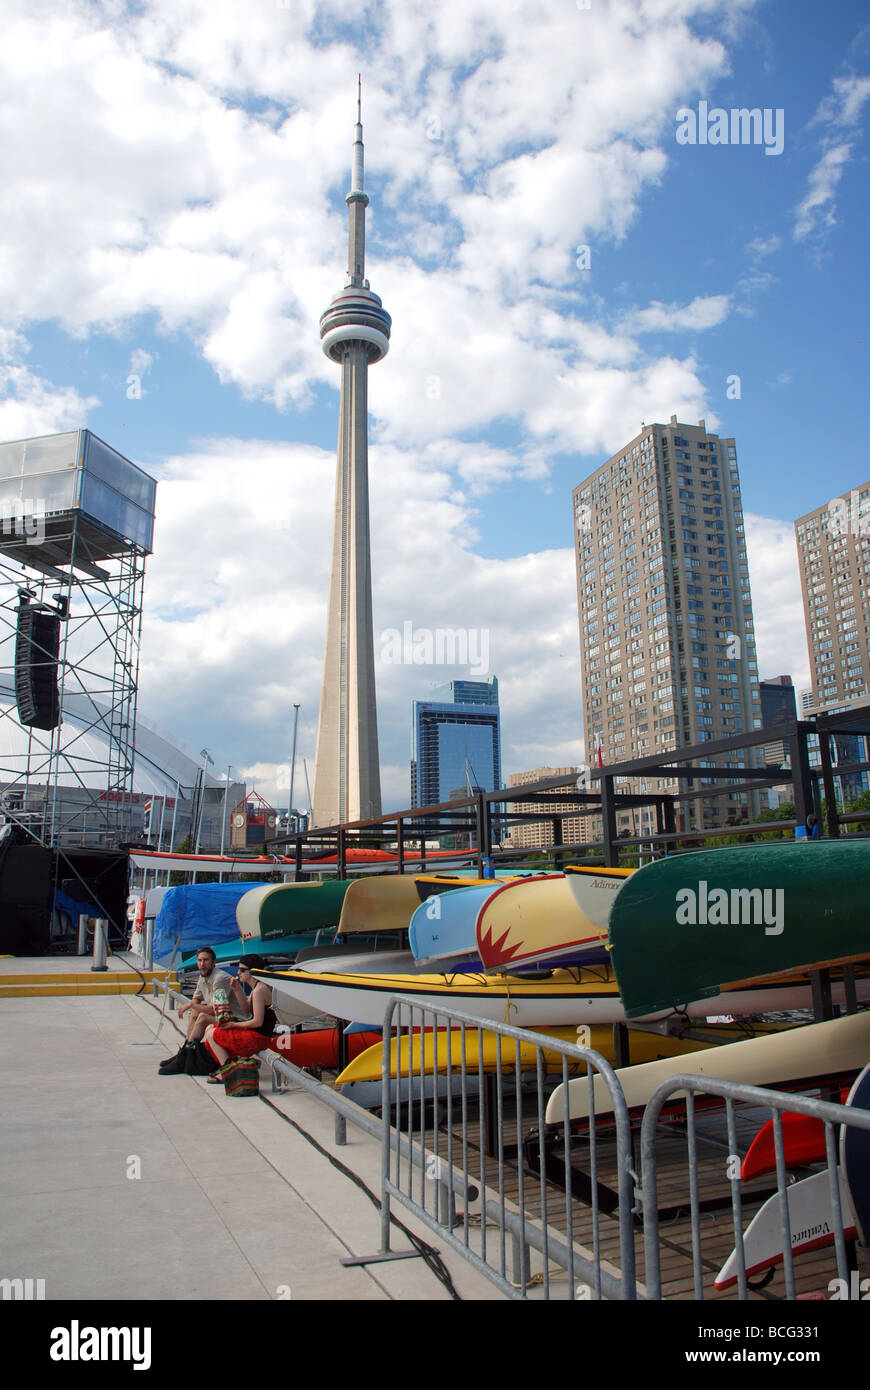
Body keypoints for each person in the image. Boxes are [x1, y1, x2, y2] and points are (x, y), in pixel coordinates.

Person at [159, 946, 245, 1075]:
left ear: (213, 962)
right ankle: (184, 1053)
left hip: (237, 1020)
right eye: (199, 960)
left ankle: (183, 1057)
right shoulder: (203, 976)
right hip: (223, 1017)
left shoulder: (219, 979)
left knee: (202, 1016)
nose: (202, 964)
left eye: (206, 960)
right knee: (195, 1012)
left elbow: (212, 1010)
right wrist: (190, 1006)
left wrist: (189, 1005)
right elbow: (196, 999)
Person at [202, 956, 277, 1081]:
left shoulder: (259, 990)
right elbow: (246, 1010)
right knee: (210, 1028)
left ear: (252, 972)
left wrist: (233, 1025)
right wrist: (237, 990)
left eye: (242, 970)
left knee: (213, 1034)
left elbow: (257, 1022)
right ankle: (233, 1067)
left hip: (259, 1037)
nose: (238, 973)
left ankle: (228, 1072)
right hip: (255, 1033)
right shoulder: (256, 989)